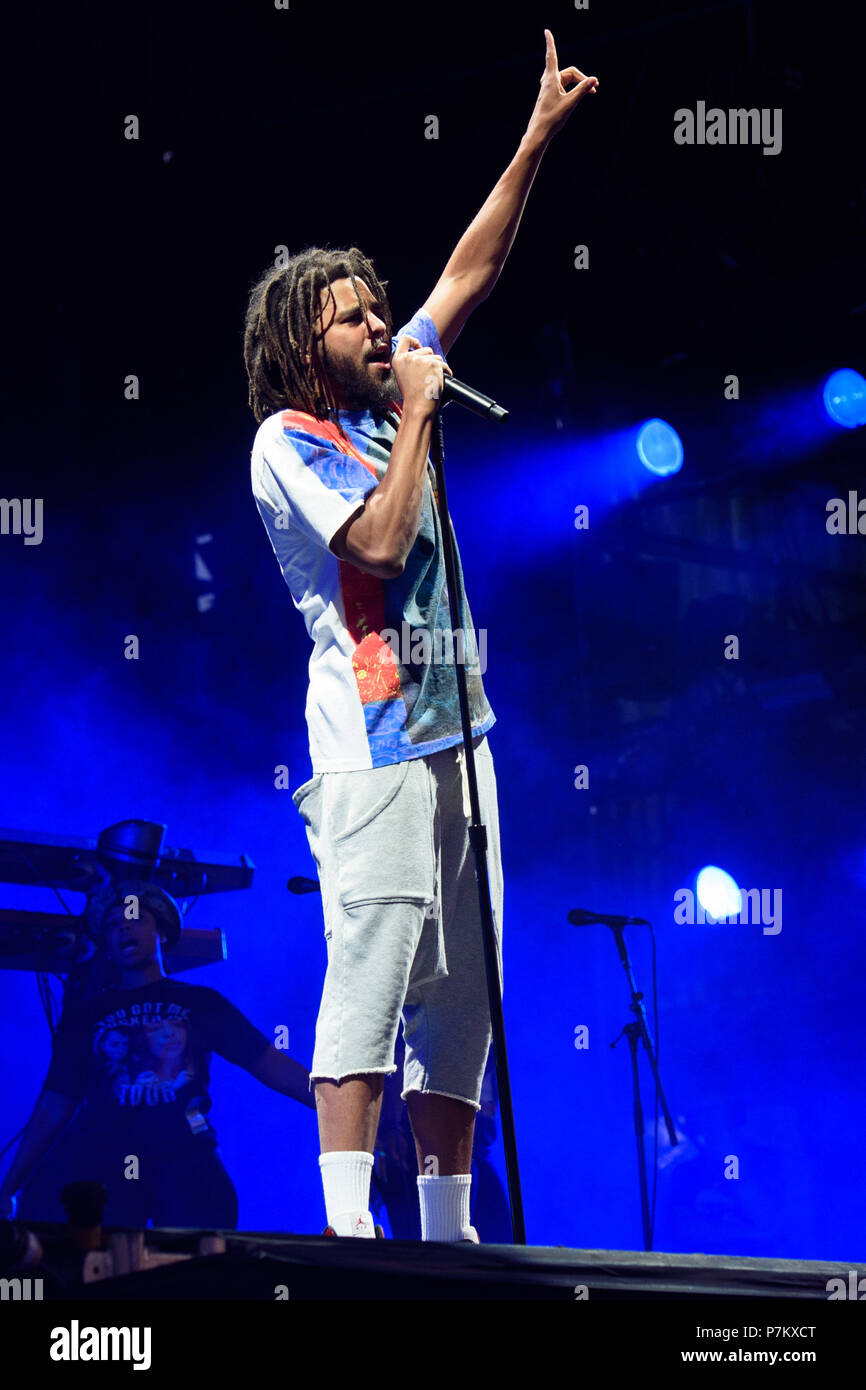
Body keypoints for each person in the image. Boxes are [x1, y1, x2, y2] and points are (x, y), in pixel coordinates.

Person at [243, 32, 599, 1241]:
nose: (382, 324)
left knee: (460, 1003)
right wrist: (412, 417)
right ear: (307, 347)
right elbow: (381, 549)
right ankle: (347, 1235)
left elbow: (470, 269)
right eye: (354, 318)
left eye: (378, 308)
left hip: (461, 734)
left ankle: (445, 1233)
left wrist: (535, 134)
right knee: (374, 975)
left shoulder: (394, 389)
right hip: (374, 743)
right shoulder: (291, 440)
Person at [0, 880, 315, 1229]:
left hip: (187, 1158)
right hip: (106, 1166)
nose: (123, 928)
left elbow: (268, 1062)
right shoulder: (85, 1017)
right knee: (107, 1274)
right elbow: (54, 1105)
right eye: (113, 925)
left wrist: (342, 1111)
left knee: (203, 1274)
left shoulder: (200, 1002)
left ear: (162, 931)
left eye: (134, 918)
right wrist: (9, 1186)